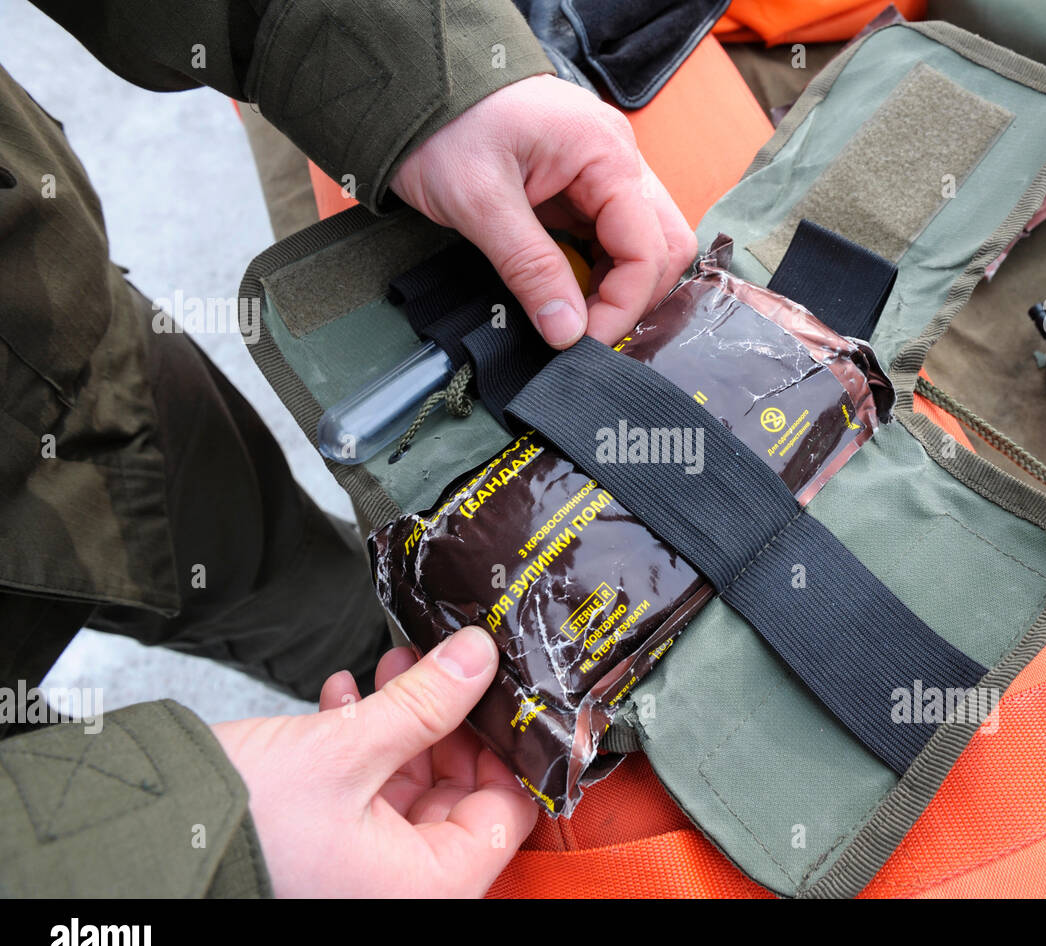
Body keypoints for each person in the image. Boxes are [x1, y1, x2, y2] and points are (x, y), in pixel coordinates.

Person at [0, 0, 695, 897]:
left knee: (298, 582)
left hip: (47, 366)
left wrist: (430, 81)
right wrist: (193, 851)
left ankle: (385, 649)